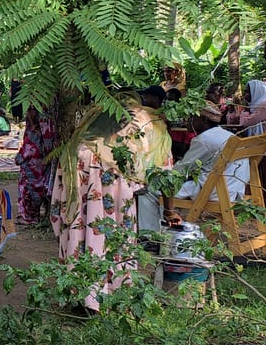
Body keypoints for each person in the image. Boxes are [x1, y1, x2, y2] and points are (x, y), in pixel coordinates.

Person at [49, 91, 172, 311]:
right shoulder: (150, 123)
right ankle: (111, 295)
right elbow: (165, 175)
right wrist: (170, 211)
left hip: (80, 163)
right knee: (113, 231)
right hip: (112, 176)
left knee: (82, 227)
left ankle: (81, 294)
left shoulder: (101, 114)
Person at [164, 102, 248, 225]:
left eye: (192, 117)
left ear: (203, 119)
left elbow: (181, 170)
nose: (187, 121)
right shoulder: (228, 135)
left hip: (216, 192)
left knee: (154, 190)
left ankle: (154, 233)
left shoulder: (204, 140)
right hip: (235, 190)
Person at [15, 106, 56, 225]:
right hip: (40, 162)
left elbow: (28, 150)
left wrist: (20, 157)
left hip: (33, 164)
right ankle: (32, 214)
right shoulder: (44, 131)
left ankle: (29, 216)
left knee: (28, 187)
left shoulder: (35, 133)